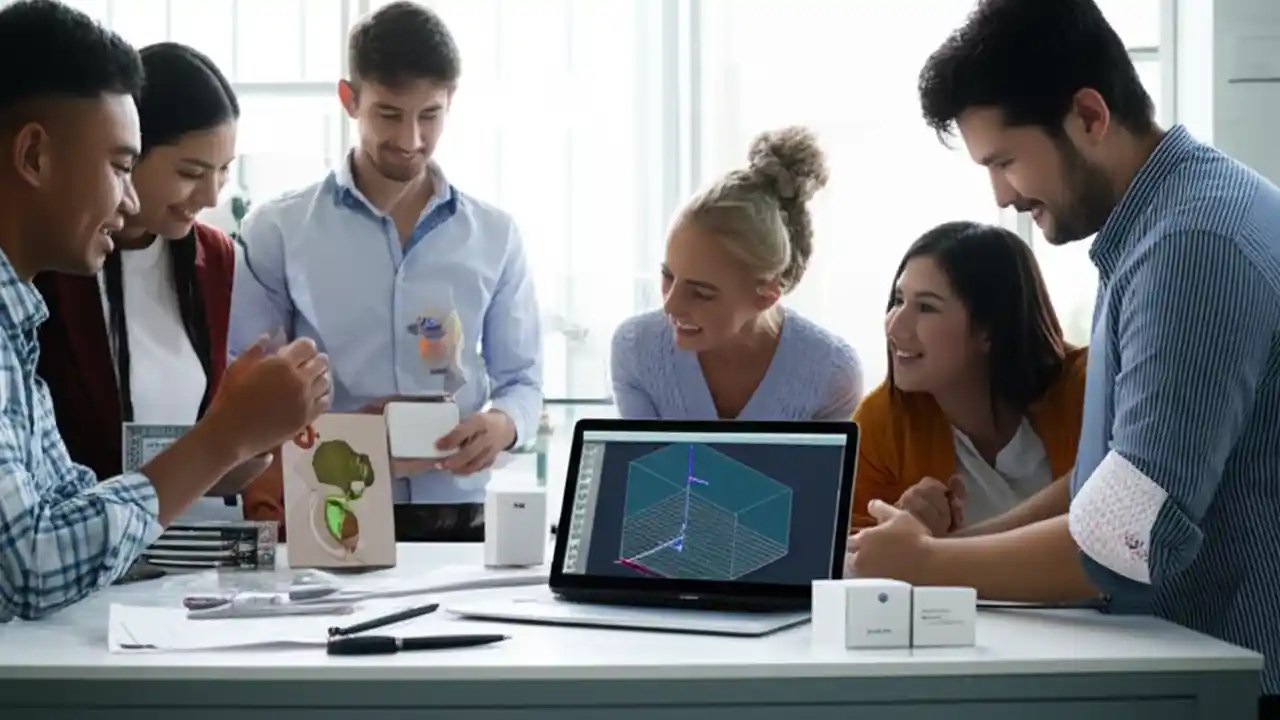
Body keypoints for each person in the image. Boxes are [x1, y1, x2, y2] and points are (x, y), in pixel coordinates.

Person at [845, 0, 1280, 712]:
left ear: (1089, 116)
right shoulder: (1161, 227)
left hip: (1240, 680)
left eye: (1006, 161)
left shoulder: (1191, 245)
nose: (1003, 196)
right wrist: (942, 553)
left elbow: (1131, 534)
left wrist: (928, 566)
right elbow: (1107, 487)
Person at [0, 0, 330, 621]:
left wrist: (238, 443)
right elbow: (33, 563)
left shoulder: (16, 321)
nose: (126, 201)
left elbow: (65, 502)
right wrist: (224, 437)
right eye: (122, 165)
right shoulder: (39, 294)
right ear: (35, 156)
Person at [230, 1, 542, 542]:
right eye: (389, 114)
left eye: (430, 115)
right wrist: (349, 434)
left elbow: (523, 381)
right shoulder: (278, 230)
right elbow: (245, 385)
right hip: (329, 504)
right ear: (349, 100)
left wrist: (502, 426)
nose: (411, 140)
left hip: (461, 515)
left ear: (452, 102)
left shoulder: (497, 235)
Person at [36, 42, 264, 525]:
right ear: (127, 154)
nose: (210, 194)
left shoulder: (214, 257)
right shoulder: (53, 257)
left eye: (224, 171)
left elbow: (207, 427)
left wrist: (240, 452)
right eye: (190, 172)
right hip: (83, 547)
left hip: (190, 547)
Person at [610, 126, 863, 421]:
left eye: (701, 293)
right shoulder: (635, 350)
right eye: (668, 276)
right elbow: (640, 464)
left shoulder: (831, 375)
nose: (671, 305)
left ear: (766, 296)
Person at [850, 221, 1086, 535]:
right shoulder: (883, 421)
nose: (895, 327)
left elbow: (1106, 502)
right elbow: (848, 554)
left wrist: (944, 550)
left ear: (990, 328)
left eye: (925, 307)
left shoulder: (1085, 390)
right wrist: (901, 533)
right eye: (897, 301)